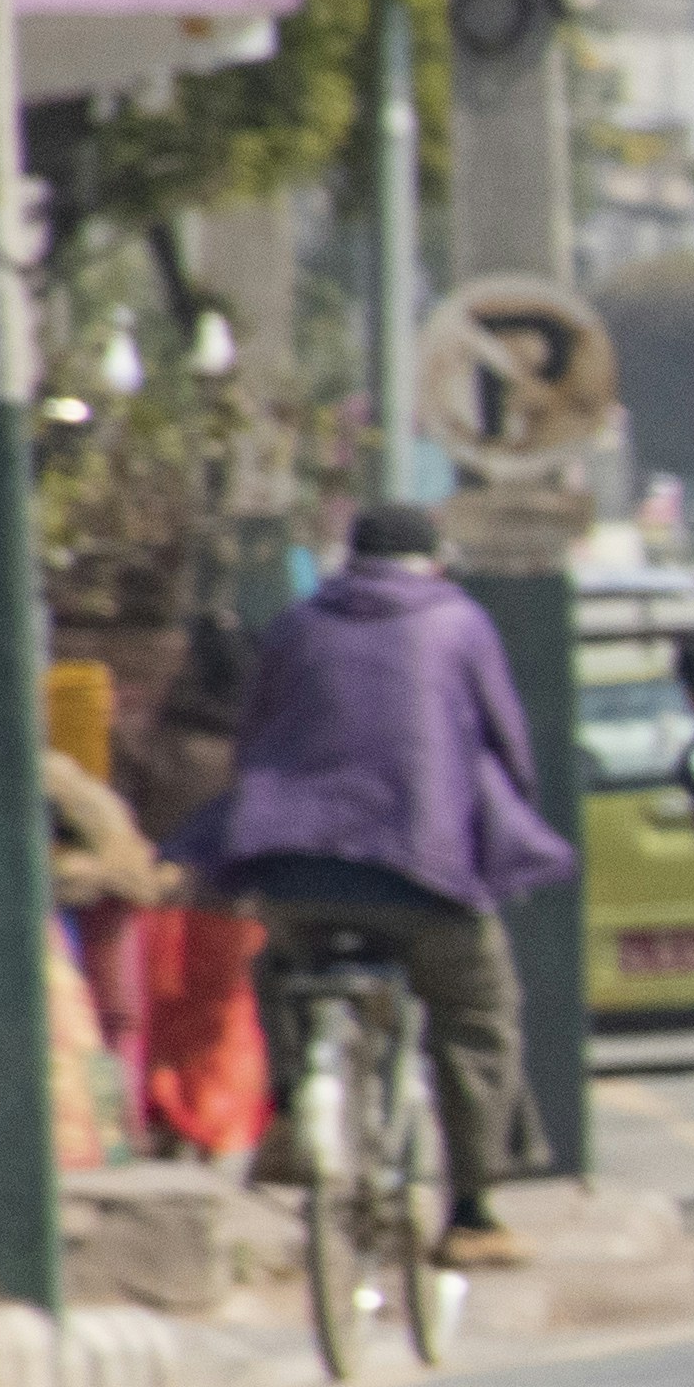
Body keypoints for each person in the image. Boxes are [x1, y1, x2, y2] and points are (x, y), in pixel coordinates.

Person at [169, 501, 574, 1269]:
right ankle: (473, 1207)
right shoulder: (459, 623)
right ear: (433, 561)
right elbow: (508, 748)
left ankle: (292, 1104)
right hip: (424, 873)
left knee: (280, 966)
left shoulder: (294, 625)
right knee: (478, 1014)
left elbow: (254, 739)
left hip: (294, 870)